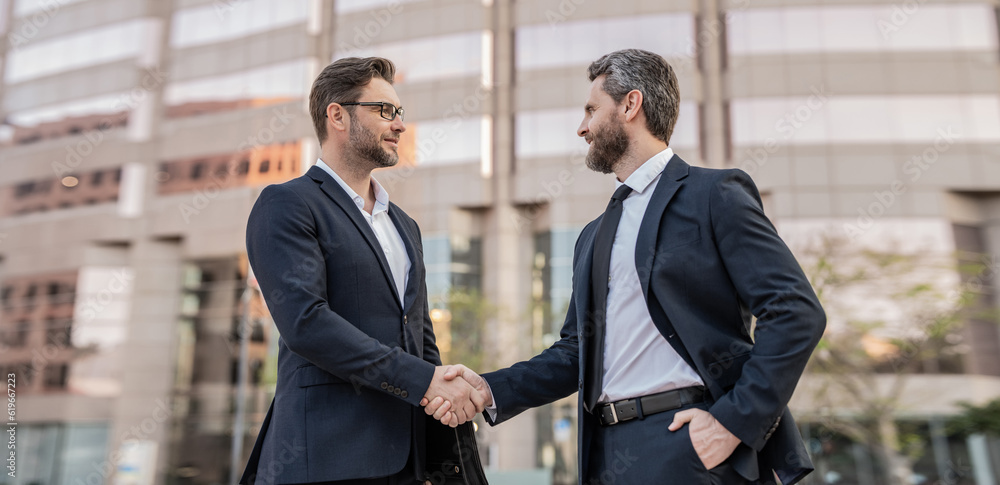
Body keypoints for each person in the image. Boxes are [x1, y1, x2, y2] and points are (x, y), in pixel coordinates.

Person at [424, 49, 827, 484]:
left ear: (630, 105)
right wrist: (487, 389)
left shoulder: (715, 196)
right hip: (604, 454)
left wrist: (733, 423)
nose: (582, 128)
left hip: (687, 444)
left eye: (591, 110)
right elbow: (575, 352)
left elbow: (794, 312)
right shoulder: (592, 236)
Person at [240, 57, 484, 485]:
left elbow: (420, 338)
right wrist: (426, 381)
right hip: (326, 457)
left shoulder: (404, 225)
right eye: (385, 110)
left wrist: (440, 422)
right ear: (338, 115)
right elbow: (306, 324)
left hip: (407, 461)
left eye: (399, 113)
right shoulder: (287, 204)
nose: (399, 125)